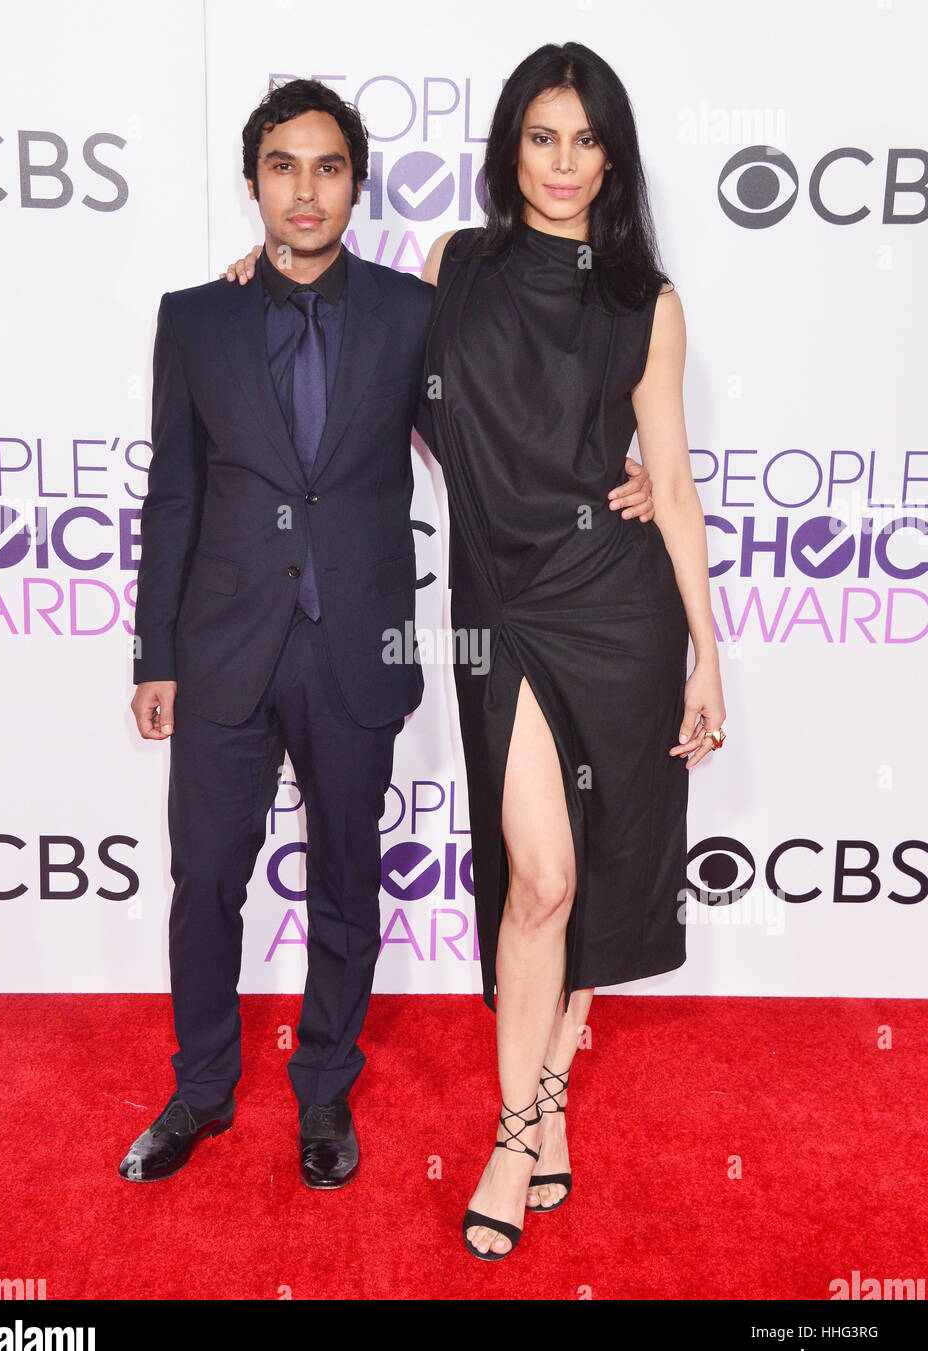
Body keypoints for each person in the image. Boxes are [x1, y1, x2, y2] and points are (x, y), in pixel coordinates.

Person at [122, 74, 658, 1193]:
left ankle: (324, 1094)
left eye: (327, 167)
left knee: (346, 879)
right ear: (253, 182)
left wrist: (624, 461)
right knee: (207, 875)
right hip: (222, 643)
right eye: (282, 167)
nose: (305, 191)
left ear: (356, 185)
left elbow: (496, 427)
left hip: (356, 643)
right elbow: (172, 492)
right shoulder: (196, 316)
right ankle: (202, 1090)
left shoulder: (413, 311)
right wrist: (155, 654)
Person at [421, 42, 726, 1260]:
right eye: (541, 137)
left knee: (583, 871)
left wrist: (707, 651)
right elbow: (391, 378)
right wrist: (267, 275)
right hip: (501, 604)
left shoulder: (645, 301)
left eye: (584, 139)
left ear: (613, 154)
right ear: (511, 148)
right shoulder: (456, 265)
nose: (562, 163)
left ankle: (524, 1121)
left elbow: (680, 481)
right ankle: (533, 1111)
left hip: (619, 607)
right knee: (535, 873)